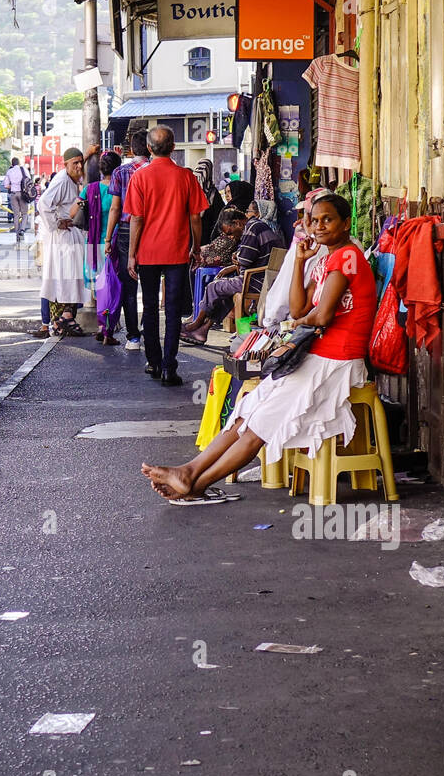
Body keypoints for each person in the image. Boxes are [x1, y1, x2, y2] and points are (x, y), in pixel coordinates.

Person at [142, 193, 377, 503]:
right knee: (247, 412)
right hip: (318, 357)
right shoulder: (326, 260)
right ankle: (189, 471)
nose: (319, 226)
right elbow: (297, 310)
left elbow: (321, 315)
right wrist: (301, 263)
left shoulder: (346, 257)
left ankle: (199, 482)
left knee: (259, 423)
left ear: (346, 223)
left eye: (328, 220)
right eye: (315, 220)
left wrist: (301, 323)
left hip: (337, 362)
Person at [123, 126, 207, 385]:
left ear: (149, 148)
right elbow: (195, 217)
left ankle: (153, 362)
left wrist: (131, 254)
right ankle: (170, 367)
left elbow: (136, 219)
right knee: (172, 310)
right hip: (177, 253)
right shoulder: (186, 177)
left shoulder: (140, 177)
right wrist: (196, 247)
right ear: (173, 147)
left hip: (147, 253)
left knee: (149, 307)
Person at [181, 206, 280, 344]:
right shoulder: (257, 226)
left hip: (256, 281)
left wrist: (237, 259)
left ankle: (196, 324)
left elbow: (245, 260)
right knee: (223, 293)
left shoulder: (252, 229)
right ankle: (202, 332)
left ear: (237, 223)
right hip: (263, 278)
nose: (232, 236)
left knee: (213, 287)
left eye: (231, 232)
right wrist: (237, 261)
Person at [104, 129, 150, 350]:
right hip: (152, 231)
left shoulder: (120, 172)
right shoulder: (155, 171)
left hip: (124, 231)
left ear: (131, 150)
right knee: (150, 285)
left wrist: (107, 238)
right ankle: (148, 330)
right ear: (150, 147)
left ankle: (133, 337)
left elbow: (115, 208)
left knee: (128, 286)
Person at [36, 147, 89, 337]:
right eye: (75, 163)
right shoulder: (61, 180)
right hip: (63, 236)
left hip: (70, 234)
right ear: (65, 164)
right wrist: (57, 223)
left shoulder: (73, 179)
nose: (79, 166)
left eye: (81, 162)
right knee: (67, 277)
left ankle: (62, 319)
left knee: (71, 276)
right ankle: (65, 317)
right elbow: (43, 203)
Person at [86, 151, 122, 344]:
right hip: (115, 243)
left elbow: (74, 211)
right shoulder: (120, 188)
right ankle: (108, 330)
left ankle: (102, 325)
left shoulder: (90, 189)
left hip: (94, 246)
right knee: (114, 290)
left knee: (101, 290)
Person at [195, 160, 225, 245]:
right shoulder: (213, 193)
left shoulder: (190, 190)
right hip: (207, 232)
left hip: (191, 232)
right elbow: (219, 214)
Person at [5, 156, 32, 241]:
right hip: (23, 194)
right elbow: (29, 180)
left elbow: (6, 185)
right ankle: (22, 230)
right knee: (24, 213)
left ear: (12, 164)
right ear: (19, 163)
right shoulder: (24, 170)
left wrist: (13, 186)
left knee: (16, 214)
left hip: (13, 194)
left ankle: (17, 233)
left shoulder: (9, 171)